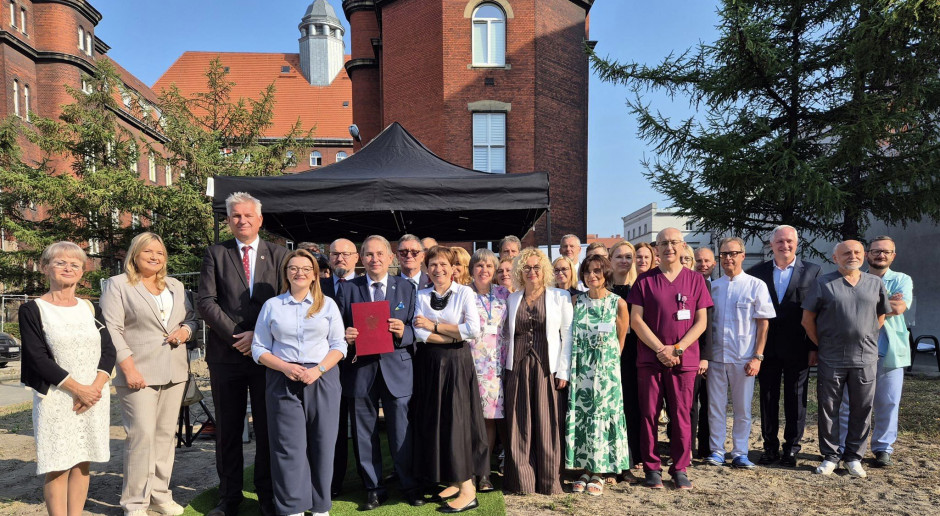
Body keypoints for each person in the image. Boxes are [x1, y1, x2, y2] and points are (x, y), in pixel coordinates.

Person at [197, 192, 288, 516]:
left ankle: (267, 496)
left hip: (267, 358)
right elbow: (206, 301)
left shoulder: (278, 255)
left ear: (260, 219)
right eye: (236, 216)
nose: (242, 220)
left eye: (248, 215)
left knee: (267, 430)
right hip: (227, 356)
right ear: (229, 220)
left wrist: (259, 337)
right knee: (228, 430)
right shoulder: (215, 254)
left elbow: (285, 301)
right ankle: (229, 497)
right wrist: (238, 335)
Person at [100, 233, 197, 516]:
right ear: (135, 255)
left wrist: (185, 332)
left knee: (166, 437)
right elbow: (112, 329)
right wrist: (127, 368)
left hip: (174, 371)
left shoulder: (176, 286)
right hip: (137, 372)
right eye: (148, 252)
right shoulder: (117, 285)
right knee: (140, 437)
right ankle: (135, 502)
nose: (155, 257)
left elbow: (190, 318)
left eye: (160, 253)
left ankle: (160, 495)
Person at [19, 242, 115, 516]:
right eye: (60, 262)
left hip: (93, 397)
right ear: (45, 267)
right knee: (58, 464)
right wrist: (77, 389)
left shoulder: (90, 308)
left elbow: (108, 350)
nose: (68, 268)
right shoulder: (33, 310)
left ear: (83, 271)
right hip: (57, 398)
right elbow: (37, 358)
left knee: (83, 463)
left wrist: (94, 388)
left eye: (75, 264)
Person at [251, 249, 347, 516]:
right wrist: (284, 367)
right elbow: (259, 348)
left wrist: (318, 370)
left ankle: (320, 508)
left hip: (323, 378)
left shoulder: (327, 305)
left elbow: (339, 345)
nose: (299, 273)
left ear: (315, 275)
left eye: (306, 268)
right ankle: (292, 508)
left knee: (323, 443)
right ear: (286, 273)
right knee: (287, 446)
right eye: (293, 268)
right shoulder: (272, 306)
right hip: (282, 379)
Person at [336, 236, 424, 509]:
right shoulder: (348, 289)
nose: (374, 259)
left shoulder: (407, 288)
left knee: (402, 432)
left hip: (397, 369)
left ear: (390, 258)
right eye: (369, 255)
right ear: (361, 259)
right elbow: (335, 329)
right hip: (361, 370)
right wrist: (345, 335)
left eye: (379, 254)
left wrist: (404, 332)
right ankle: (374, 488)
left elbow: (417, 329)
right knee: (364, 433)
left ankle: (409, 485)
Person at [626, 228, 712, 490]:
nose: (669, 248)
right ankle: (652, 468)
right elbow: (636, 320)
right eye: (663, 243)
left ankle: (679, 467)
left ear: (682, 246)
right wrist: (660, 349)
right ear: (656, 249)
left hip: (683, 361)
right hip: (650, 361)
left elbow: (701, 322)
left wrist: (676, 349)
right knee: (649, 414)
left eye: (673, 242)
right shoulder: (644, 281)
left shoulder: (696, 280)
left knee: (681, 415)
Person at [802, 240, 890, 478]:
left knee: (862, 408)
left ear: (864, 256)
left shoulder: (875, 283)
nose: (852, 256)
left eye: (857, 252)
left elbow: (880, 316)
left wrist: (865, 337)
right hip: (832, 357)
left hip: (865, 358)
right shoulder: (823, 283)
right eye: (846, 253)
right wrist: (824, 344)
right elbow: (807, 320)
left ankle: (853, 457)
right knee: (828, 407)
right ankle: (830, 456)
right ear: (835, 258)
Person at [411, 246, 486, 513]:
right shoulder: (421, 295)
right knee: (438, 422)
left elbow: (473, 330)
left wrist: (434, 326)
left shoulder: (464, 292)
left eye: (443, 264)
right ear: (426, 268)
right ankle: (454, 479)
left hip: (456, 364)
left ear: (453, 267)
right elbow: (418, 334)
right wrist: (452, 334)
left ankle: (468, 490)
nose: (438, 269)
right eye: (432, 264)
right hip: (430, 364)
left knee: (457, 423)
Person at [746, 225, 821, 467]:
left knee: (795, 399)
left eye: (789, 241)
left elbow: (816, 313)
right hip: (765, 348)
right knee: (767, 398)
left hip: (798, 347)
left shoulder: (812, 272)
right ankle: (769, 447)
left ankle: (791, 448)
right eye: (779, 241)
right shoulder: (757, 273)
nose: (784, 245)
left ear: (797, 243)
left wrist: (814, 347)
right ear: (771, 244)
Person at [836, 236, 912, 468]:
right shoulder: (855, 277)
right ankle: (844, 447)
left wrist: (866, 304)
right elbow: (847, 307)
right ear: (868, 254)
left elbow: (900, 307)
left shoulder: (902, 279)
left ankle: (882, 448)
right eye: (876, 251)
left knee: (888, 401)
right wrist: (886, 301)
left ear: (893, 256)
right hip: (855, 349)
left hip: (890, 350)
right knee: (849, 402)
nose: (881, 255)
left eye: (887, 252)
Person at [503, 248, 573, 495]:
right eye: (527, 268)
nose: (532, 272)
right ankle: (521, 481)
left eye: (536, 267)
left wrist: (563, 371)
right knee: (518, 423)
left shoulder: (560, 296)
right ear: (520, 272)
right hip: (518, 368)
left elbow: (568, 336)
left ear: (544, 270)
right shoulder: (512, 299)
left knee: (547, 422)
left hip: (547, 368)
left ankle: (548, 482)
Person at [702, 238, 775, 470]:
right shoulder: (713, 286)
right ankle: (716, 451)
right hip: (716, 357)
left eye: (733, 253)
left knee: (743, 408)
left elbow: (763, 324)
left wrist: (758, 356)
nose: (728, 258)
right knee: (715, 406)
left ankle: (741, 452)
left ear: (743, 255)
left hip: (744, 357)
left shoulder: (756, 285)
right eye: (724, 254)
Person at [565, 255, 631, 495]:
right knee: (583, 417)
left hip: (606, 373)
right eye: (587, 272)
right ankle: (585, 469)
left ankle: (600, 471)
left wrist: (607, 364)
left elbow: (621, 339)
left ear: (606, 274)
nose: (591, 276)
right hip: (581, 370)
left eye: (596, 271)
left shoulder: (618, 303)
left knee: (602, 417)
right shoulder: (575, 302)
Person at [467, 249, 511, 492]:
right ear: (472, 268)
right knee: (470, 420)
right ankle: (468, 471)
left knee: (489, 420)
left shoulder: (504, 293)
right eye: (479, 265)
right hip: (469, 363)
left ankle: (484, 473)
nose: (484, 270)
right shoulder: (463, 293)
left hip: (496, 366)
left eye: (489, 266)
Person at [320, 238, 358, 497]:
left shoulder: (366, 286)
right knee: (330, 427)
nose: (340, 258)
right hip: (325, 366)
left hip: (360, 365)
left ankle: (369, 481)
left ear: (356, 257)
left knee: (361, 426)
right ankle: (331, 484)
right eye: (335, 254)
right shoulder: (316, 287)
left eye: (346, 254)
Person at [608, 241, 642, 471]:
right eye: (619, 256)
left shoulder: (640, 288)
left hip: (635, 352)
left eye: (628, 257)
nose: (624, 260)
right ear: (610, 260)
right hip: (608, 353)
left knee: (632, 403)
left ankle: (634, 455)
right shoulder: (603, 289)